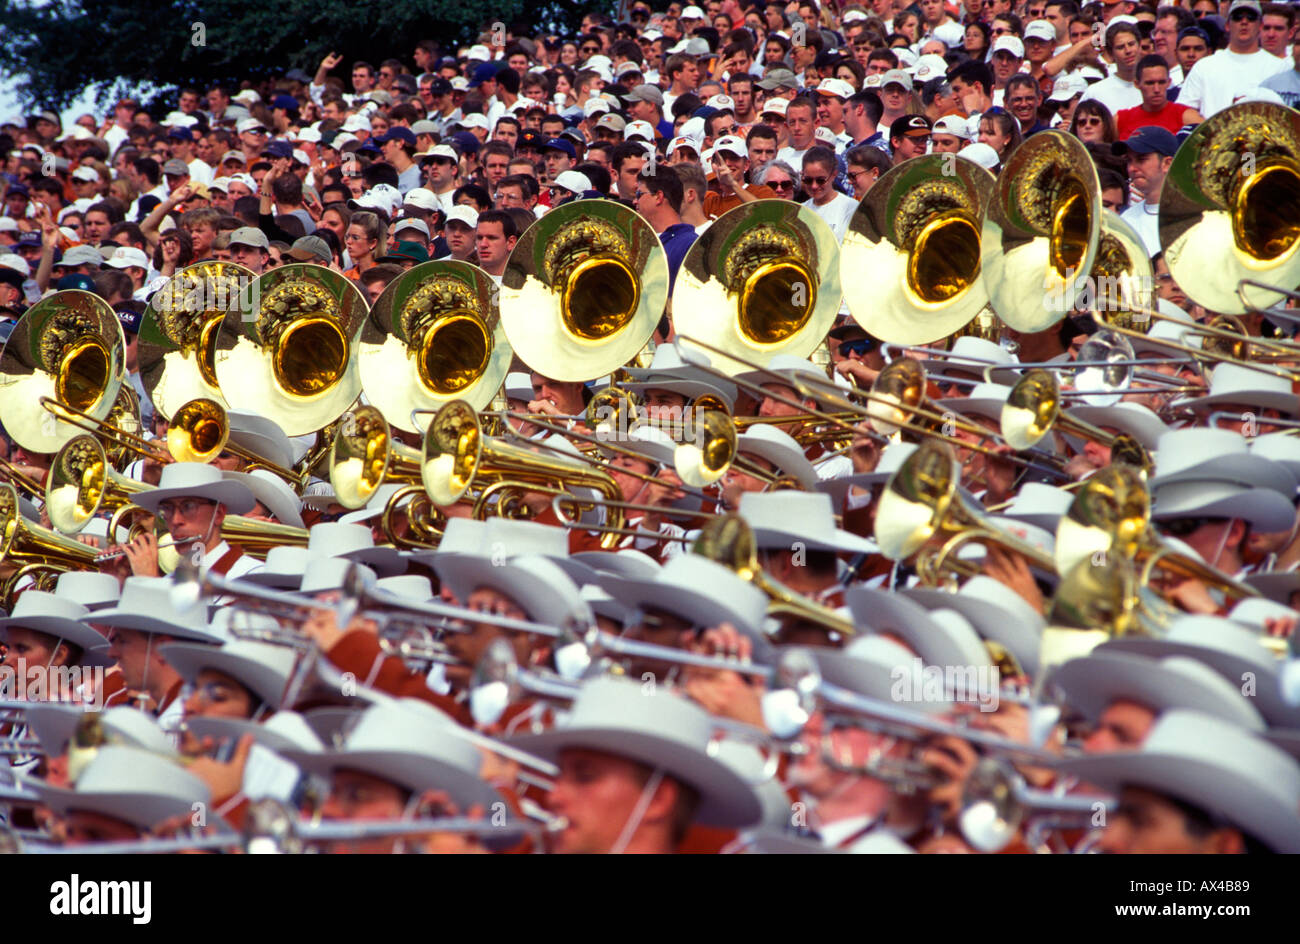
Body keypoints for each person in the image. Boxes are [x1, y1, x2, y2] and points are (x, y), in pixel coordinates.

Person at [1177, 0, 1290, 116]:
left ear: (1261, 25)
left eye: (1251, 17)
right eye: (1238, 17)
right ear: (1227, 25)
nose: (1244, 22)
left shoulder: (1280, 68)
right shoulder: (1204, 66)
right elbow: (1182, 111)